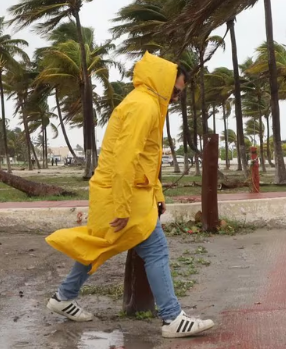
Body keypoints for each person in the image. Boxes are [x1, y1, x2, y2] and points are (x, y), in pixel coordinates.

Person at [45, 53, 215, 339]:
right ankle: (172, 318)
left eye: (179, 94)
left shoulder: (146, 103)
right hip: (122, 193)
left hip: (127, 191)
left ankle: (64, 297)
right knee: (155, 249)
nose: (176, 98)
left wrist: (157, 194)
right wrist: (123, 207)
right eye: (175, 91)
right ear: (163, 83)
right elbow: (125, 159)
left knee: (99, 244)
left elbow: (148, 157)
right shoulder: (144, 107)